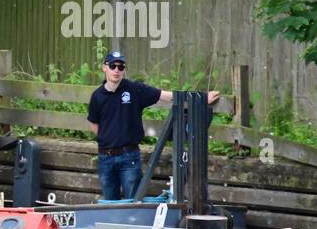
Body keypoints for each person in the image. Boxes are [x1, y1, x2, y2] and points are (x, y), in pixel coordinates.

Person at [87, 49, 219, 200]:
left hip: (129, 156)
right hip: (106, 157)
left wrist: (200, 99)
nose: (116, 70)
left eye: (121, 67)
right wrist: (109, 138)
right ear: (104, 67)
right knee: (109, 204)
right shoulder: (97, 96)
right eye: (113, 66)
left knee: (134, 202)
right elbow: (94, 124)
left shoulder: (135, 89)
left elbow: (166, 96)